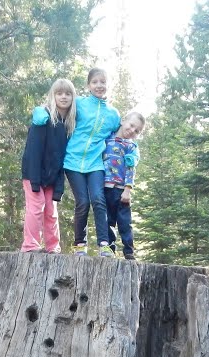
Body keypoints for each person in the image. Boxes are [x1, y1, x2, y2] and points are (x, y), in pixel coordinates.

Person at [64, 68, 123, 256]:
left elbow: (121, 137)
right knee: (82, 202)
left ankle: (104, 244)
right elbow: (57, 108)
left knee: (99, 199)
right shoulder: (79, 103)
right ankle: (79, 244)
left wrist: (130, 155)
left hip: (96, 163)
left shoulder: (113, 114)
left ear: (108, 85)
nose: (99, 85)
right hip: (73, 161)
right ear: (88, 85)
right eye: (95, 82)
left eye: (103, 82)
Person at [20, 79, 76, 253]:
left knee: (51, 211)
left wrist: (58, 185)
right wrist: (35, 179)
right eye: (59, 93)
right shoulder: (43, 117)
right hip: (34, 173)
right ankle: (30, 246)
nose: (64, 97)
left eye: (68, 94)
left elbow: (61, 157)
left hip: (52, 176)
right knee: (36, 207)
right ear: (53, 96)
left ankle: (53, 247)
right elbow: (33, 150)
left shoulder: (68, 123)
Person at [101, 111, 145, 261]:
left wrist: (127, 190)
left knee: (124, 223)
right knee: (108, 221)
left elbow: (131, 169)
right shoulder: (107, 139)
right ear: (123, 121)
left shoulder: (131, 147)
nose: (132, 130)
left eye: (137, 130)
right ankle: (109, 251)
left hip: (121, 190)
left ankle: (129, 252)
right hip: (105, 187)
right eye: (132, 125)